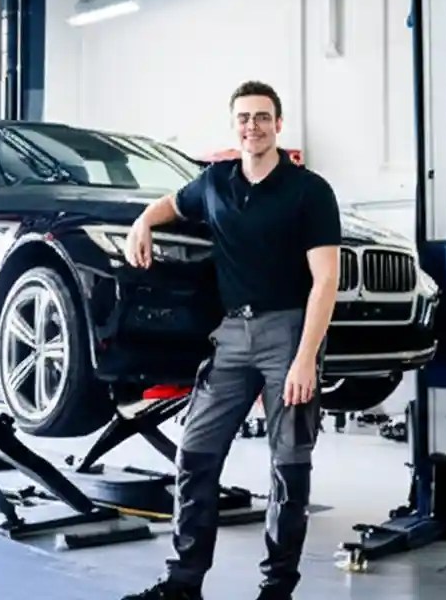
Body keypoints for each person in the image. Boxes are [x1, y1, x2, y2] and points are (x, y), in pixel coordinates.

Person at [121, 80, 342, 600]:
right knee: (195, 453)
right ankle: (184, 582)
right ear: (234, 124)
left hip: (288, 333)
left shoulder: (309, 191)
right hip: (230, 335)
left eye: (262, 117)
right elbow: (170, 203)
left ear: (279, 125)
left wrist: (306, 358)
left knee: (288, 465)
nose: (252, 126)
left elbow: (326, 280)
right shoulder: (215, 181)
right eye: (244, 117)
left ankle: (276, 589)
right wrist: (142, 223)